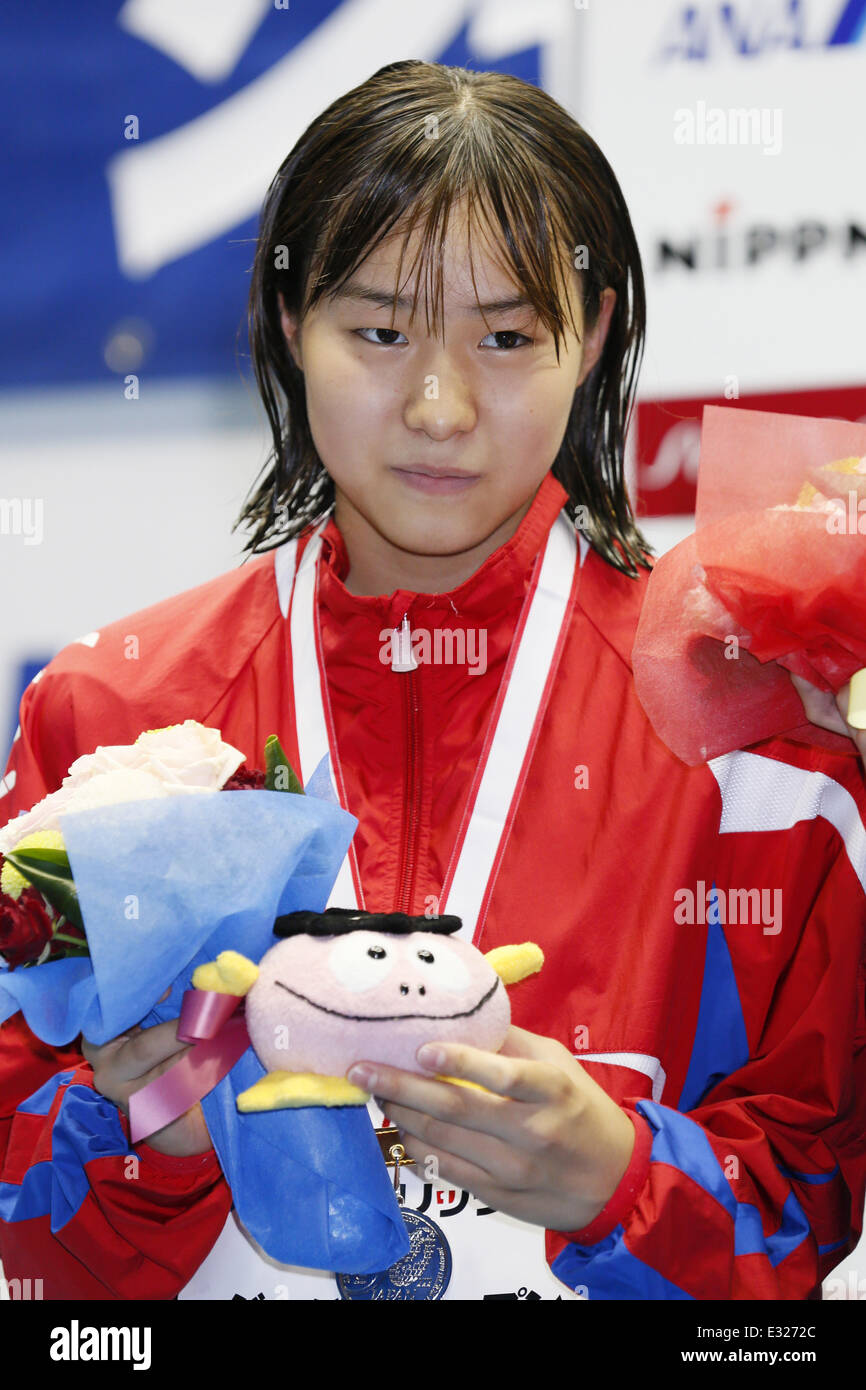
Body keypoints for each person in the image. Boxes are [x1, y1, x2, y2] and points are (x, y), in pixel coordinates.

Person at [1, 59, 865, 1302]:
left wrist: (619, 1180)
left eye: (506, 336)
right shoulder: (112, 719)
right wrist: (150, 1134)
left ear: (595, 333)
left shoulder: (751, 729)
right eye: (379, 331)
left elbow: (809, 1211)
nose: (440, 404)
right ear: (286, 323)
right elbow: (39, 1262)